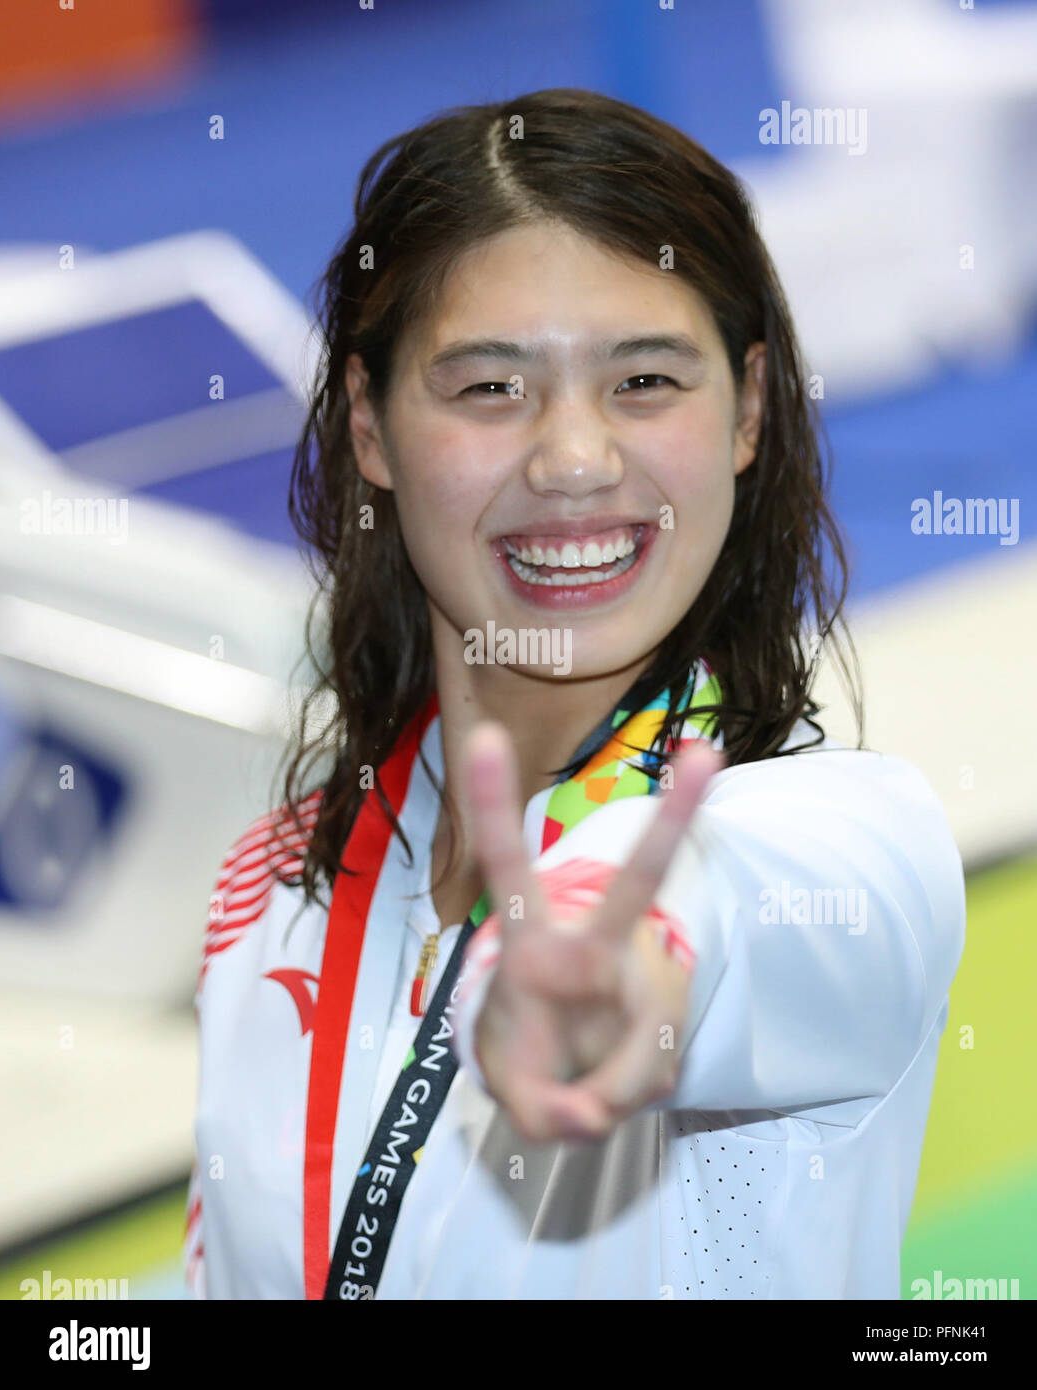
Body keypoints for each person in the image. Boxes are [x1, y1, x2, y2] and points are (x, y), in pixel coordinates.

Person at [183, 88, 965, 1301]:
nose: (576, 460)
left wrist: (629, 974)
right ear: (370, 427)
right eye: (490, 389)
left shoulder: (854, 843)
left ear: (749, 409)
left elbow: (717, 911)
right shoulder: (269, 887)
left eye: (645, 380)